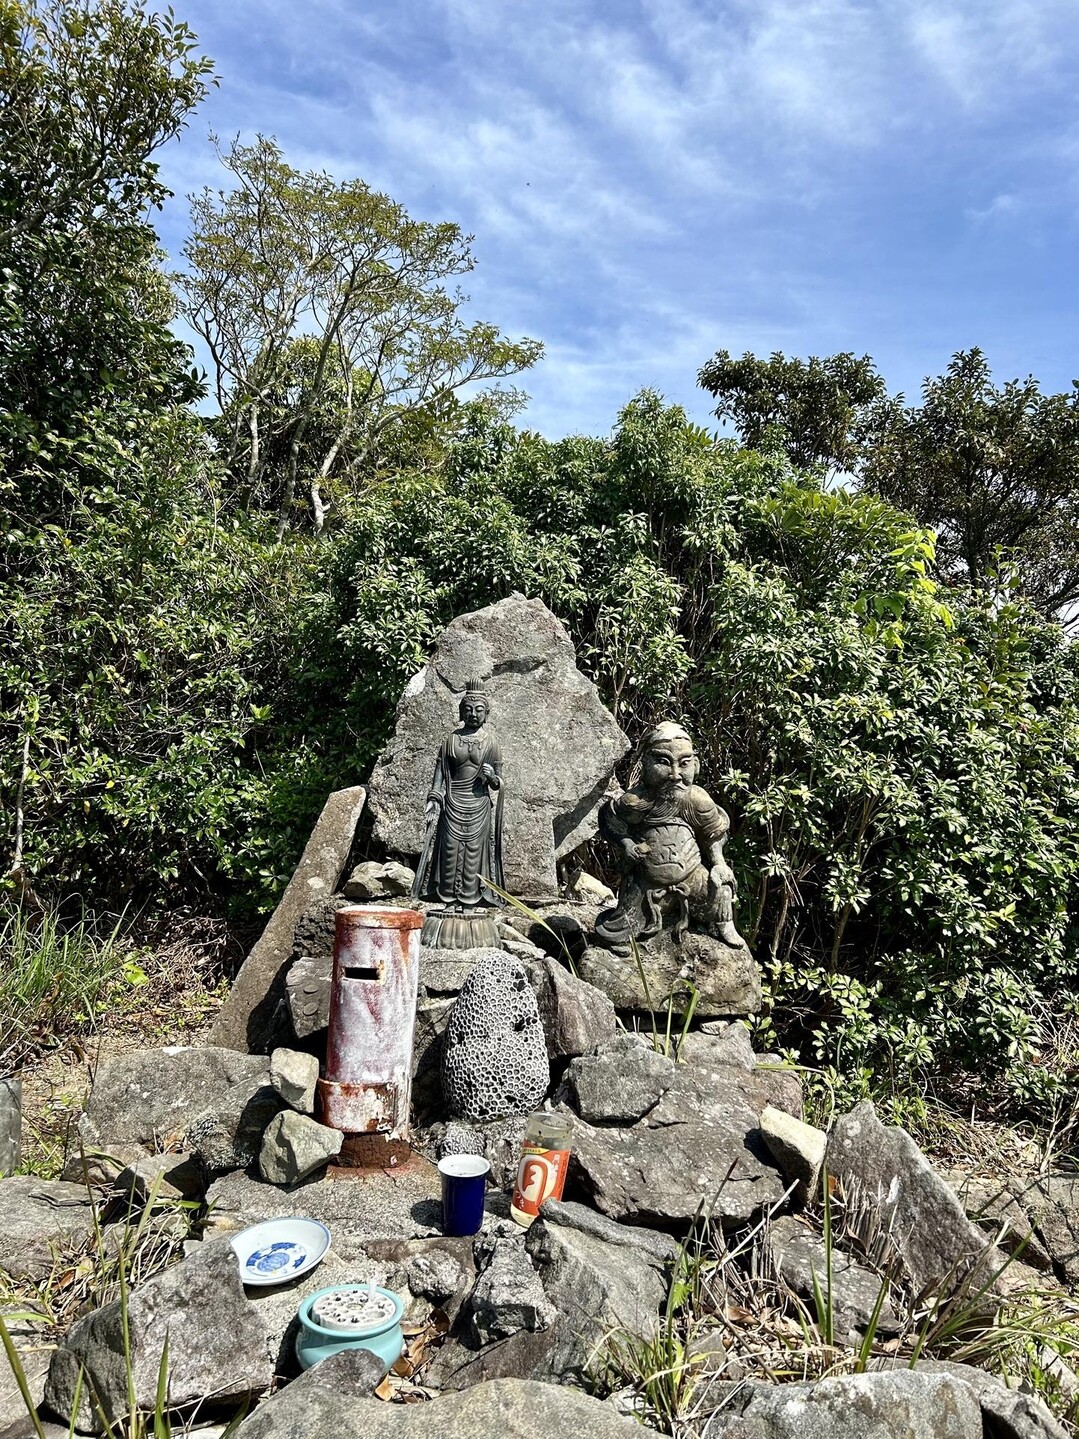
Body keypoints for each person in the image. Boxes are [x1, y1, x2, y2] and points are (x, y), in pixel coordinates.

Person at [595, 720, 745, 954]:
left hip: (692, 873)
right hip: (646, 880)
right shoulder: (635, 801)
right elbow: (612, 822)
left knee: (721, 891)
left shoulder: (697, 800)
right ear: (645, 764)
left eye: (684, 763)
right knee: (625, 920)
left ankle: (724, 925)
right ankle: (622, 936)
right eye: (663, 762)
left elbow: (713, 834)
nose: (675, 775)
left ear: (695, 765)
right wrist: (627, 844)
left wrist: (719, 862)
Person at [412, 678, 505, 909]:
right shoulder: (451, 740)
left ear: (487, 714)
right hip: (452, 803)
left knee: (474, 855)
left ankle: (470, 901)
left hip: (479, 806)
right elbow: (440, 773)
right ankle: (448, 900)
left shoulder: (492, 743)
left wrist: (492, 777)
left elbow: (498, 783)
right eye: (468, 709)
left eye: (479, 710)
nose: (473, 714)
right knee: (449, 851)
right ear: (461, 712)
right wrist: (434, 797)